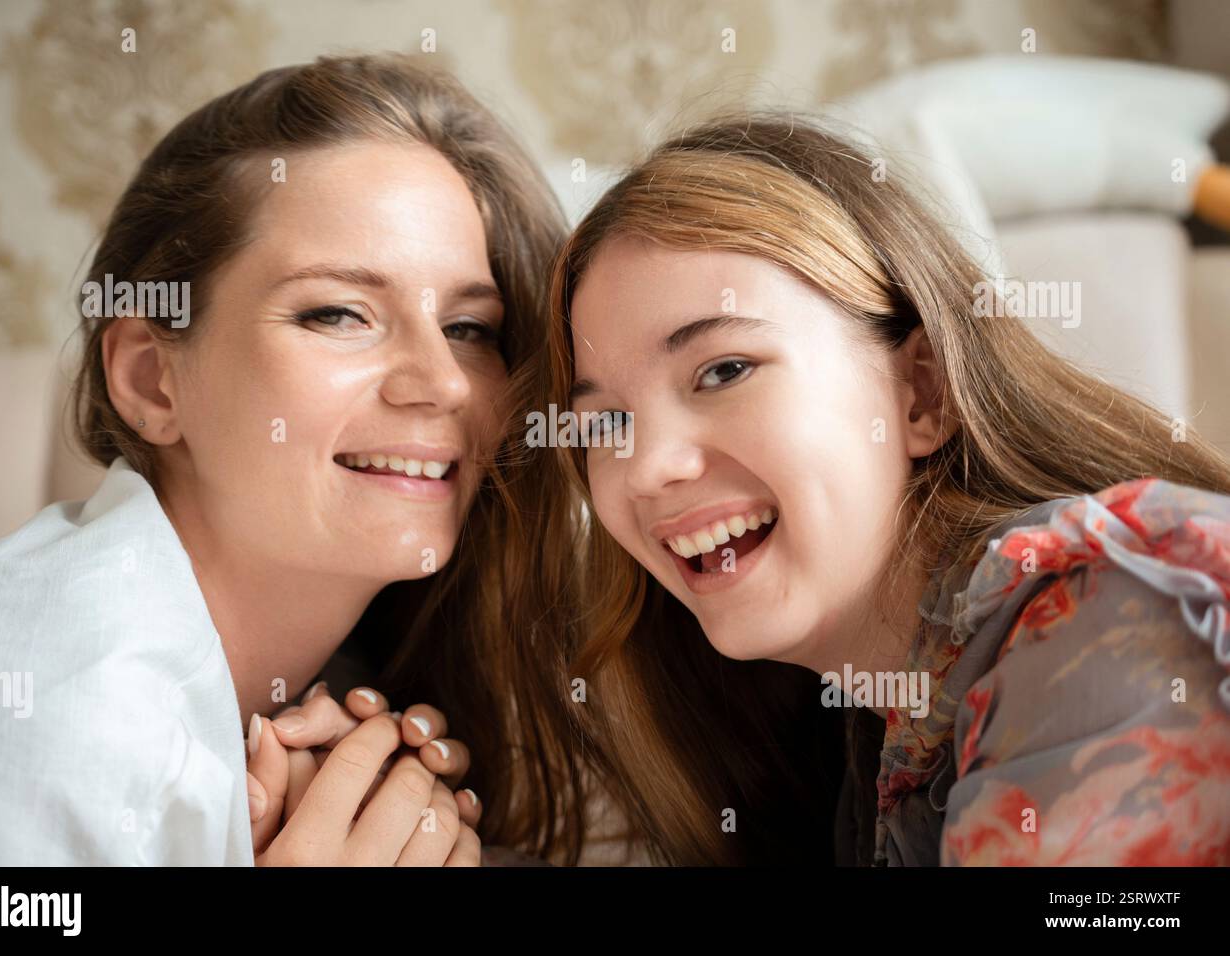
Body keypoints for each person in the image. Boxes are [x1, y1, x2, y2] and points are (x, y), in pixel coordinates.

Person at [522, 112, 1230, 865]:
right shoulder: (869, 740)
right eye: (604, 426)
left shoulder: (1112, 610)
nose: (648, 467)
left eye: (724, 370)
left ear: (921, 391)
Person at [0, 53, 581, 866]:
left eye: (469, 328)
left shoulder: (339, 705)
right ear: (151, 380)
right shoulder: (42, 711)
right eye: (339, 313)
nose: (443, 383)